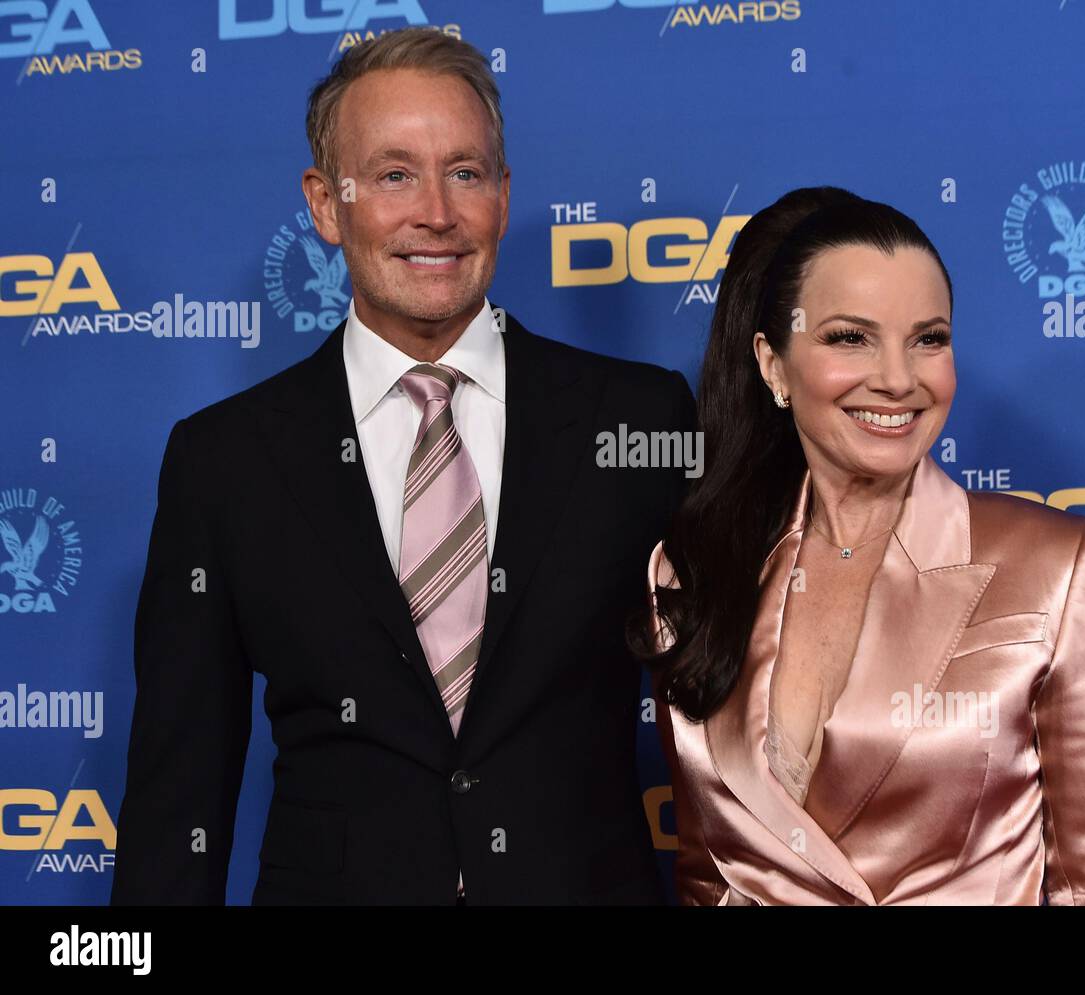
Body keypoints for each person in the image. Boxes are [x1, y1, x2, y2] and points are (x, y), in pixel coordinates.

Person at [111, 28, 694, 906]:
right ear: (325, 204)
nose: (436, 213)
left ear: (503, 195)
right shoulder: (223, 460)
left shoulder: (640, 419)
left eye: (466, 172)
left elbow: (739, 703)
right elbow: (178, 791)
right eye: (393, 175)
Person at [636, 186, 1085, 906]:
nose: (897, 379)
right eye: (849, 337)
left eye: (929, 338)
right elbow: (707, 874)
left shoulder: (1058, 567)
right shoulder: (690, 573)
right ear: (773, 366)